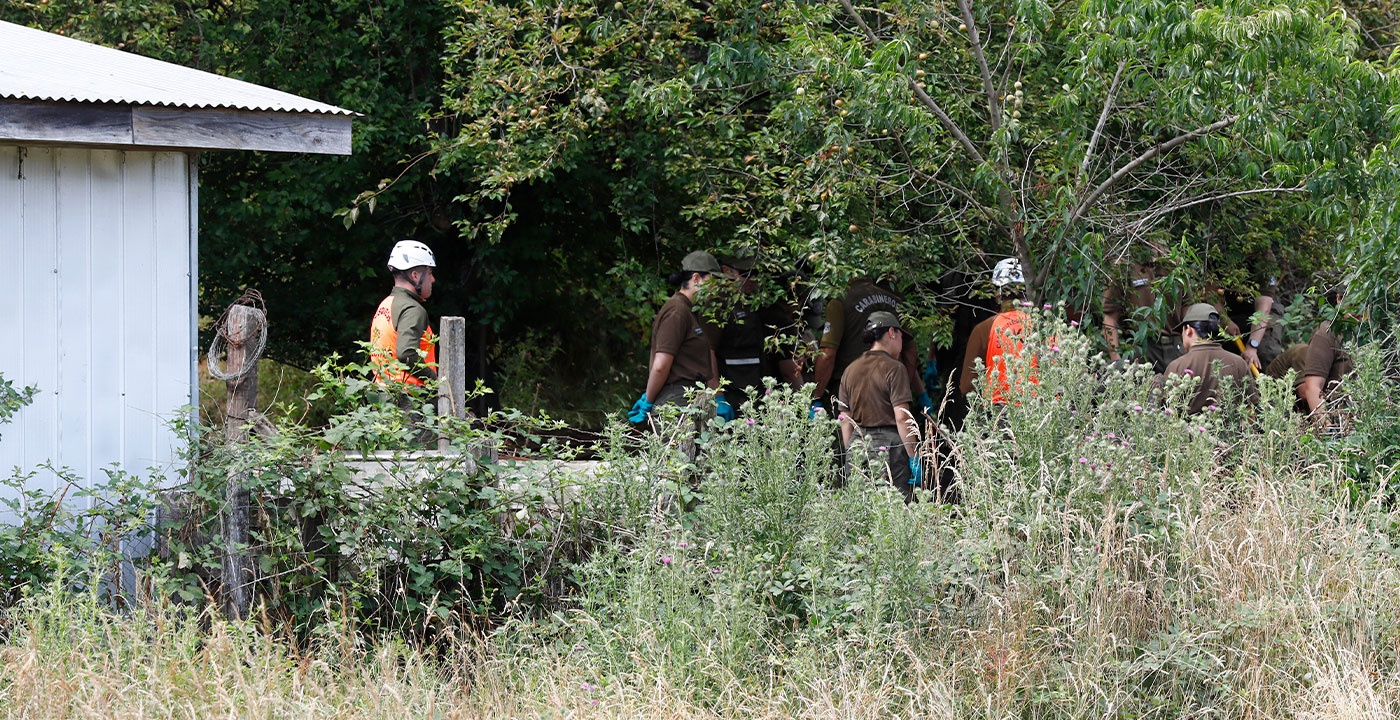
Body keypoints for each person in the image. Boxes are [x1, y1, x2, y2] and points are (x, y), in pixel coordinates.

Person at [629, 251, 731, 423]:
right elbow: (661, 365)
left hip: (689, 400)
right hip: (676, 403)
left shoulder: (688, 310)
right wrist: (649, 400)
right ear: (696, 278)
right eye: (713, 281)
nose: (716, 288)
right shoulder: (677, 311)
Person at [810, 278, 930, 419]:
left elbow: (828, 354)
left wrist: (815, 397)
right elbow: (910, 352)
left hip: (850, 388)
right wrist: (905, 391)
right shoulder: (897, 298)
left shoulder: (841, 299)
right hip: (889, 389)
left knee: (851, 438)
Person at [837, 311, 921, 502]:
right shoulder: (894, 368)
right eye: (901, 336)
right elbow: (902, 417)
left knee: (860, 506)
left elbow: (845, 419)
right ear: (892, 332)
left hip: (858, 443)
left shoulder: (851, 369)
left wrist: (852, 451)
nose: (902, 342)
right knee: (895, 507)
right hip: (890, 446)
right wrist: (913, 457)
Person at [704, 255, 805, 411]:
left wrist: (804, 400)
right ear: (727, 271)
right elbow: (708, 350)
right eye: (746, 274)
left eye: (756, 273)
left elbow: (787, 362)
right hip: (734, 394)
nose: (753, 279)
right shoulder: (719, 305)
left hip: (763, 394)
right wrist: (717, 395)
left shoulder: (762, 304)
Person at [959, 258, 1034, 404]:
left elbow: (967, 386)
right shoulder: (1045, 325)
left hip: (1001, 414)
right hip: (1043, 413)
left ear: (997, 293)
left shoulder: (983, 329)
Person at [1162, 303, 1257, 415]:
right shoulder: (1238, 363)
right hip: (1230, 432)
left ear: (1188, 330)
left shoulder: (1177, 366)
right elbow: (1250, 409)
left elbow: (1168, 410)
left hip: (1190, 431)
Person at [370, 240, 438, 386]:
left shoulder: (386, 304)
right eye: (430, 273)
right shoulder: (412, 309)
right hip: (410, 398)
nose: (433, 279)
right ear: (415, 276)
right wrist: (435, 381)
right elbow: (406, 353)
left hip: (384, 393)